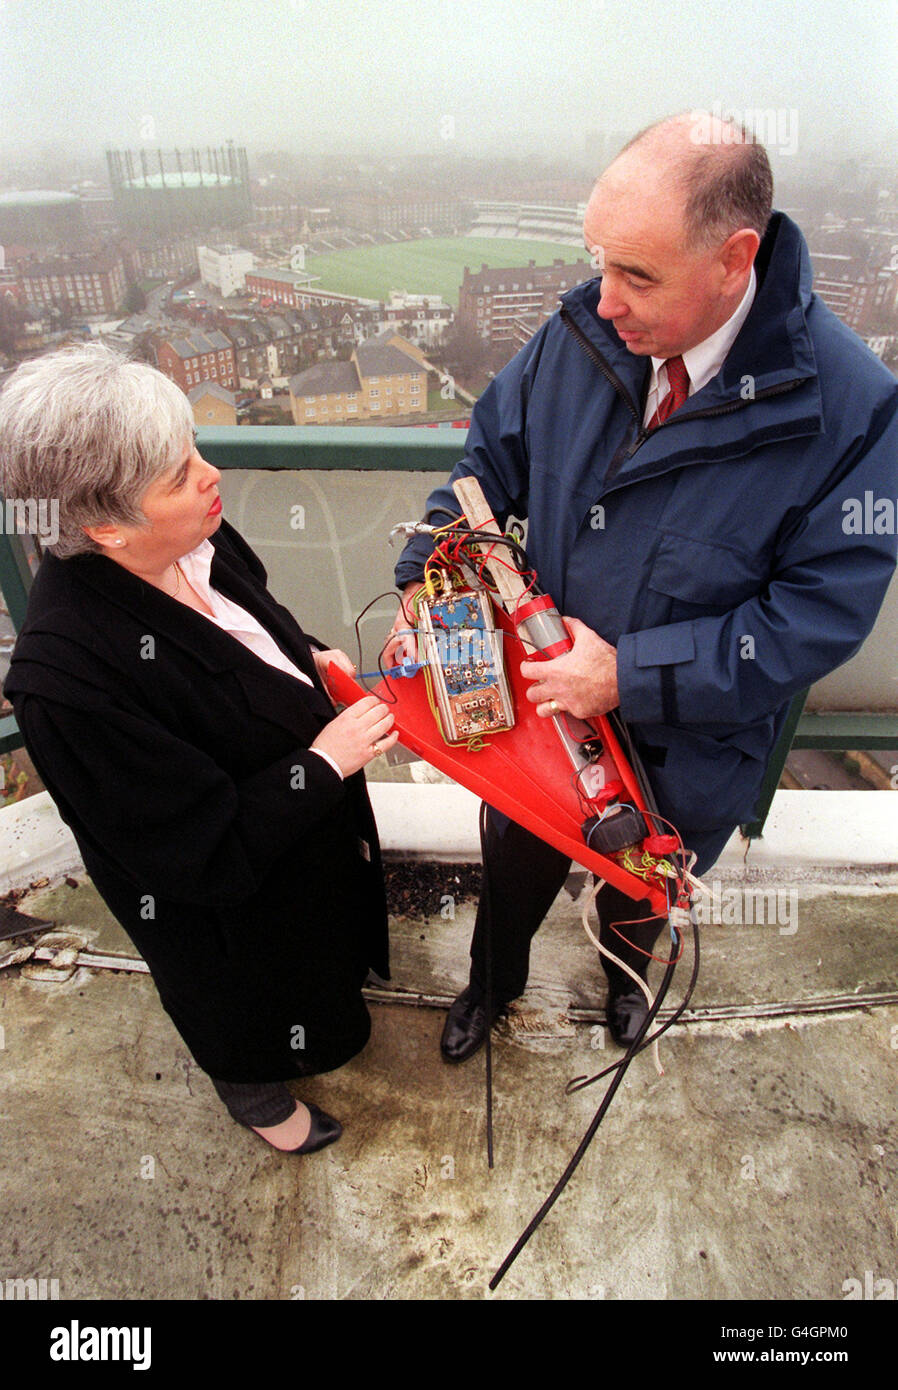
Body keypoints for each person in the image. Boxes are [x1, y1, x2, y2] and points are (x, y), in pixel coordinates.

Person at [388, 111, 898, 1059]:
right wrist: (425, 580)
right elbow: (486, 463)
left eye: (638, 275)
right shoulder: (582, 332)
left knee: (639, 898)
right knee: (512, 872)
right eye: (600, 261)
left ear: (735, 258)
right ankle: (491, 986)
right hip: (541, 727)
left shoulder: (854, 412)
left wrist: (631, 677)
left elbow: (814, 621)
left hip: (687, 762)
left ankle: (623, 985)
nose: (604, 298)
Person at [0, 342, 399, 1153]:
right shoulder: (67, 681)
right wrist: (324, 761)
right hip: (224, 919)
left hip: (298, 863)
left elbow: (248, 638)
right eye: (179, 475)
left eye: (194, 452)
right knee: (241, 1004)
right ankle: (257, 1100)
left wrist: (305, 654)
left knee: (313, 959)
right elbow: (197, 855)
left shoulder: (192, 535)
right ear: (105, 526)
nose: (211, 476)